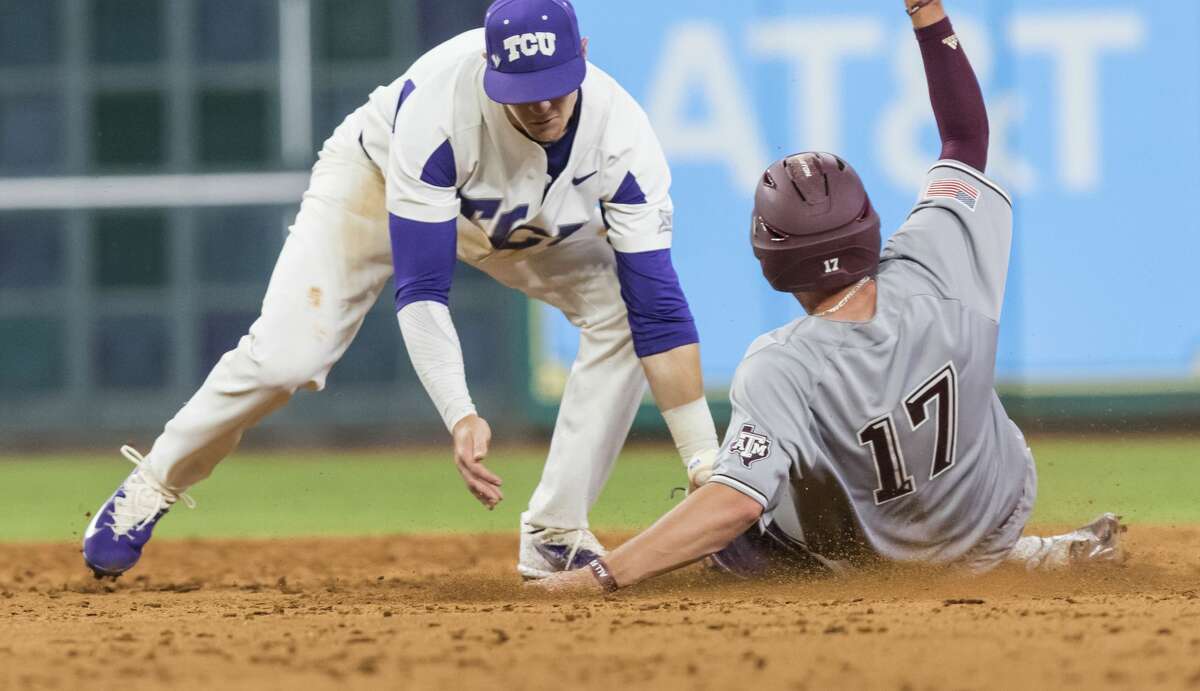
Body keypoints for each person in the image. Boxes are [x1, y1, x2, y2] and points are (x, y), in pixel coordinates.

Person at [82, 0, 721, 581]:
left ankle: (555, 533)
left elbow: (659, 308)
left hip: (512, 218)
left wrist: (702, 463)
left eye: (555, 86)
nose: (543, 106)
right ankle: (155, 482)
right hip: (378, 182)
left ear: (582, 57)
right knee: (287, 359)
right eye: (523, 92)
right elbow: (420, 288)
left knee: (622, 314)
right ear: (490, 73)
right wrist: (460, 411)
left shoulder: (626, 140)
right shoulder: (439, 113)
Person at [531, 0, 1122, 596]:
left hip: (877, 564)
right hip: (990, 518)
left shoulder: (782, 365)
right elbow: (967, 135)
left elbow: (732, 506)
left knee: (736, 510)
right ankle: (1027, 555)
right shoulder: (936, 258)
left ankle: (989, 558)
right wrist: (928, 13)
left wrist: (599, 578)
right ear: (868, 224)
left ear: (772, 259)